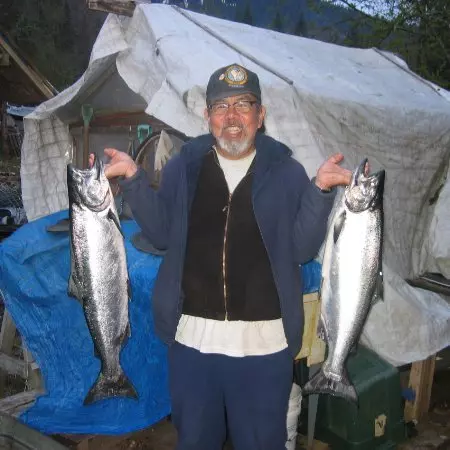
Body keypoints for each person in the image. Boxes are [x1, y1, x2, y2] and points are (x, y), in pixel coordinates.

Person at [96, 63, 351, 450]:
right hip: (193, 345)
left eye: (243, 105)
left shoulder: (287, 172)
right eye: (221, 106)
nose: (232, 116)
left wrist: (319, 191)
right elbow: (162, 234)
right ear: (208, 116)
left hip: (265, 351)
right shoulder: (185, 166)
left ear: (260, 115)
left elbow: (301, 249)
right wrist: (134, 180)